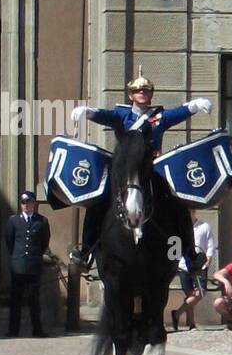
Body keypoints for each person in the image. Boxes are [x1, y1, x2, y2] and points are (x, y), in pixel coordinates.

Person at [68, 74, 211, 272]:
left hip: (150, 168)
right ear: (131, 96)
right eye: (137, 91)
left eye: (145, 91)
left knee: (178, 203)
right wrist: (88, 112)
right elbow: (105, 116)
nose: (141, 94)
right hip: (124, 169)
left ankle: (189, 254)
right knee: (98, 202)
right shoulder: (122, 115)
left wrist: (194, 106)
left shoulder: (159, 117)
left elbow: (178, 113)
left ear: (151, 95)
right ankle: (86, 251)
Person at [4, 191, 50, 338]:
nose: (25, 205)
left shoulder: (42, 221)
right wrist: (17, 257)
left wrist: (34, 257)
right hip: (18, 265)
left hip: (33, 266)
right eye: (23, 203)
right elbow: (9, 241)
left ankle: (37, 330)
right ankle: (13, 330)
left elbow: (44, 243)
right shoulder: (13, 221)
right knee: (16, 300)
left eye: (28, 202)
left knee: (34, 300)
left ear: (33, 203)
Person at [172, 210, 215, 331]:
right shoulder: (179, 228)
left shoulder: (204, 226)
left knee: (200, 292)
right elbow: (174, 247)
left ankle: (177, 313)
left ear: (194, 212)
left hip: (199, 265)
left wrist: (208, 261)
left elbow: (210, 246)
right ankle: (191, 323)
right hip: (183, 265)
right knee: (190, 295)